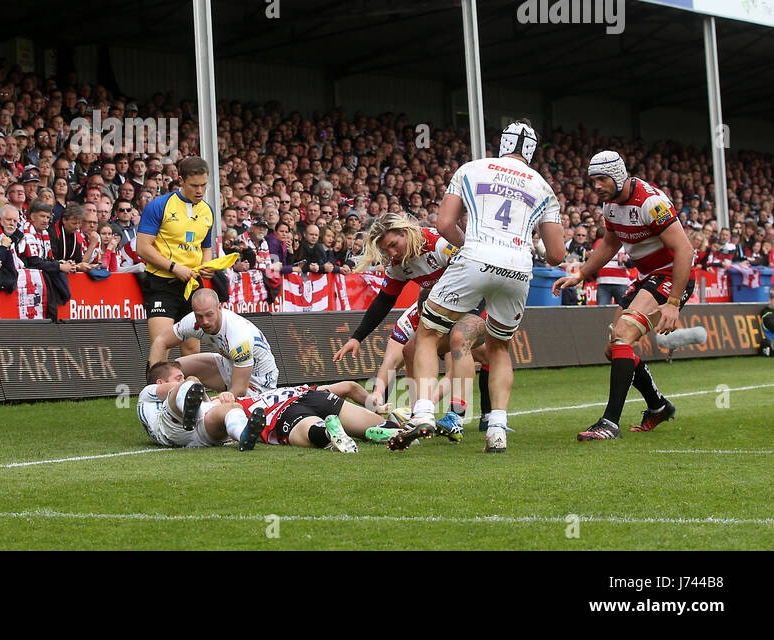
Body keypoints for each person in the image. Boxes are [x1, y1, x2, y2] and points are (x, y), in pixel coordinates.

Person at [391, 120, 565, 453]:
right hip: (517, 267)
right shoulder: (544, 187)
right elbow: (556, 255)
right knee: (500, 349)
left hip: (474, 257)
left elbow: (443, 224)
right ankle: (497, 427)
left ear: (502, 144)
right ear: (531, 150)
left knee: (427, 333)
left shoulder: (472, 169)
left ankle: (424, 411)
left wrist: (468, 244)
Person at [552, 151, 694, 440]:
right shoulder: (610, 206)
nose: (596, 186)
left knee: (624, 333)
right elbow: (609, 243)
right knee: (614, 349)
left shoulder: (651, 202)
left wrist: (674, 303)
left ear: (617, 175)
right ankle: (658, 406)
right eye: (593, 180)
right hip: (646, 278)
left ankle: (609, 423)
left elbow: (686, 250)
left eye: (602, 179)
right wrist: (581, 273)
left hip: (669, 276)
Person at [332, 212, 471, 439]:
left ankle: (462, 416)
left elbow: (471, 273)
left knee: (471, 352)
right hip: (437, 309)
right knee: (410, 349)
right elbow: (384, 301)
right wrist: (356, 337)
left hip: (469, 305)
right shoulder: (398, 265)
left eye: (394, 245)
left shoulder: (439, 243)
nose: (392, 253)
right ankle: (421, 414)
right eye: (386, 250)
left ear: (405, 232)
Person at [135, 156, 215, 365]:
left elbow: (205, 248)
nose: (200, 190)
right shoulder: (159, 205)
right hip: (162, 282)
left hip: (191, 284)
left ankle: (191, 396)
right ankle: (153, 395)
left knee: (191, 347)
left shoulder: (207, 210)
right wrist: (174, 267)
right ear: (181, 180)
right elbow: (142, 247)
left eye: (204, 185)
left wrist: (207, 267)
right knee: (161, 343)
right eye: (194, 185)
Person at [153, 288, 278, 398]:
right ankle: (158, 402)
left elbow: (239, 390)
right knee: (173, 369)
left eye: (209, 315)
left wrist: (214, 402)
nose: (205, 321)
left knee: (219, 411)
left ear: (219, 308)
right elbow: (161, 341)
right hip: (229, 364)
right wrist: (153, 387)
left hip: (258, 381)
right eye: (200, 316)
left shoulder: (239, 336)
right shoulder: (192, 322)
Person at [136, 361, 265, 452]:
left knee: (231, 408)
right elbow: (181, 388)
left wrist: (223, 400)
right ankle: (188, 412)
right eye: (178, 378)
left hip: (197, 434)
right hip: (172, 426)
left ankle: (243, 435)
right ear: (160, 382)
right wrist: (189, 382)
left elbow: (209, 406)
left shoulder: (191, 394)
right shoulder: (147, 392)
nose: (182, 380)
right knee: (192, 381)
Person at [234, 382, 401, 451]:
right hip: (312, 396)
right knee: (382, 424)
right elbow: (350, 387)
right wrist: (376, 408)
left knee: (311, 430)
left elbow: (228, 420)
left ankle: (328, 432)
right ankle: (388, 430)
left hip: (284, 414)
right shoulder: (293, 388)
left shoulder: (242, 404)